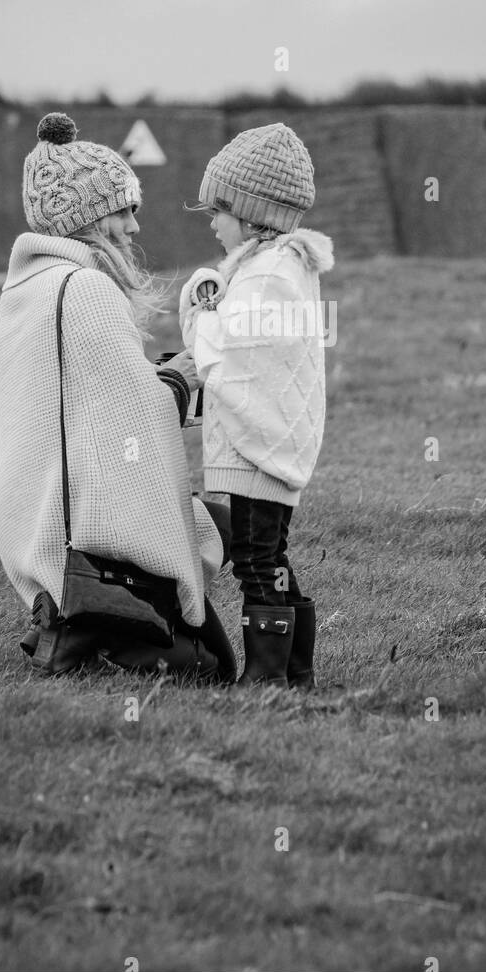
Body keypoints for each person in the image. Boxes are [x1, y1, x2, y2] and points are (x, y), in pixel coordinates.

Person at [0, 111, 236, 680]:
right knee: (213, 660)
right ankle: (104, 630)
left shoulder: (28, 287)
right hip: (83, 549)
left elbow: (88, 404)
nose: (134, 225)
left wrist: (160, 376)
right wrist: (183, 379)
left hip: (35, 532)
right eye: (124, 209)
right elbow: (130, 423)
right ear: (91, 217)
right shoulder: (86, 289)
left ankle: (70, 630)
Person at [179, 122, 334, 689]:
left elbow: (224, 352)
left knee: (255, 563)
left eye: (217, 210)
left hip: (257, 449)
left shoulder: (267, 274)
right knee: (271, 558)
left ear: (250, 212)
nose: (213, 223)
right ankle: (295, 672)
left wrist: (197, 304)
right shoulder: (276, 266)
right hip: (270, 443)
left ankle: (267, 680)